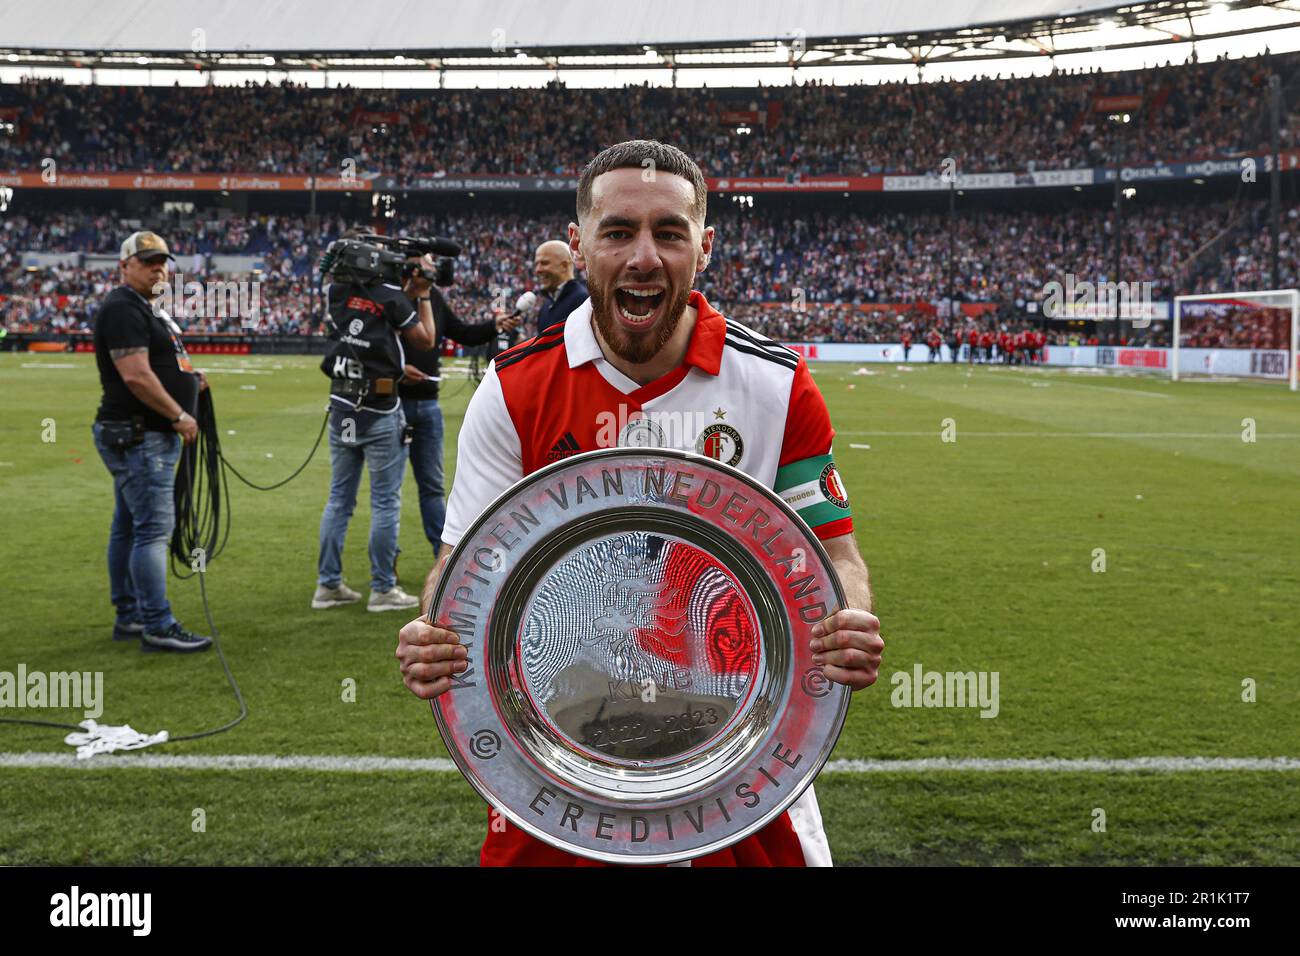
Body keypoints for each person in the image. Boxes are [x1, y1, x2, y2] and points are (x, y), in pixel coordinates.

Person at [395, 140, 885, 867]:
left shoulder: (776, 387)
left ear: (705, 246)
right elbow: (461, 567)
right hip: (563, 754)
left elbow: (835, 554)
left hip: (739, 752)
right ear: (580, 244)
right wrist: (434, 628)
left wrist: (848, 616)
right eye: (619, 231)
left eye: (669, 231)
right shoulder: (514, 391)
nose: (644, 257)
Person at [92, 231, 212, 652]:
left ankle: (129, 614)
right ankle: (156, 623)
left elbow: (159, 366)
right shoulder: (123, 306)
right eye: (147, 261)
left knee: (128, 525)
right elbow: (136, 375)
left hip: (141, 433)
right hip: (141, 434)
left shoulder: (144, 307)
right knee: (152, 531)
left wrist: (190, 382)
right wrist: (179, 414)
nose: (158, 268)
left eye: (162, 261)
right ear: (124, 266)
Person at [312, 239, 438, 613]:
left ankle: (327, 584)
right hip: (380, 410)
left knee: (339, 499)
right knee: (385, 502)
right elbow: (426, 340)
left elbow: (365, 335)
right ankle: (382, 588)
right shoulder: (389, 296)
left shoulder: (336, 292)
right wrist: (422, 294)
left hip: (341, 406)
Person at [400, 286, 519, 554]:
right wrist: (396, 368)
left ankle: (443, 558)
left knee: (432, 486)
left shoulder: (433, 297)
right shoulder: (394, 293)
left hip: (428, 402)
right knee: (389, 495)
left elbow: (463, 332)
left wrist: (493, 325)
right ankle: (385, 573)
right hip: (395, 403)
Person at [532, 239, 588, 333]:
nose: (538, 270)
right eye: (536, 264)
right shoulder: (546, 306)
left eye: (544, 263)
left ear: (564, 266)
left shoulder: (581, 300)